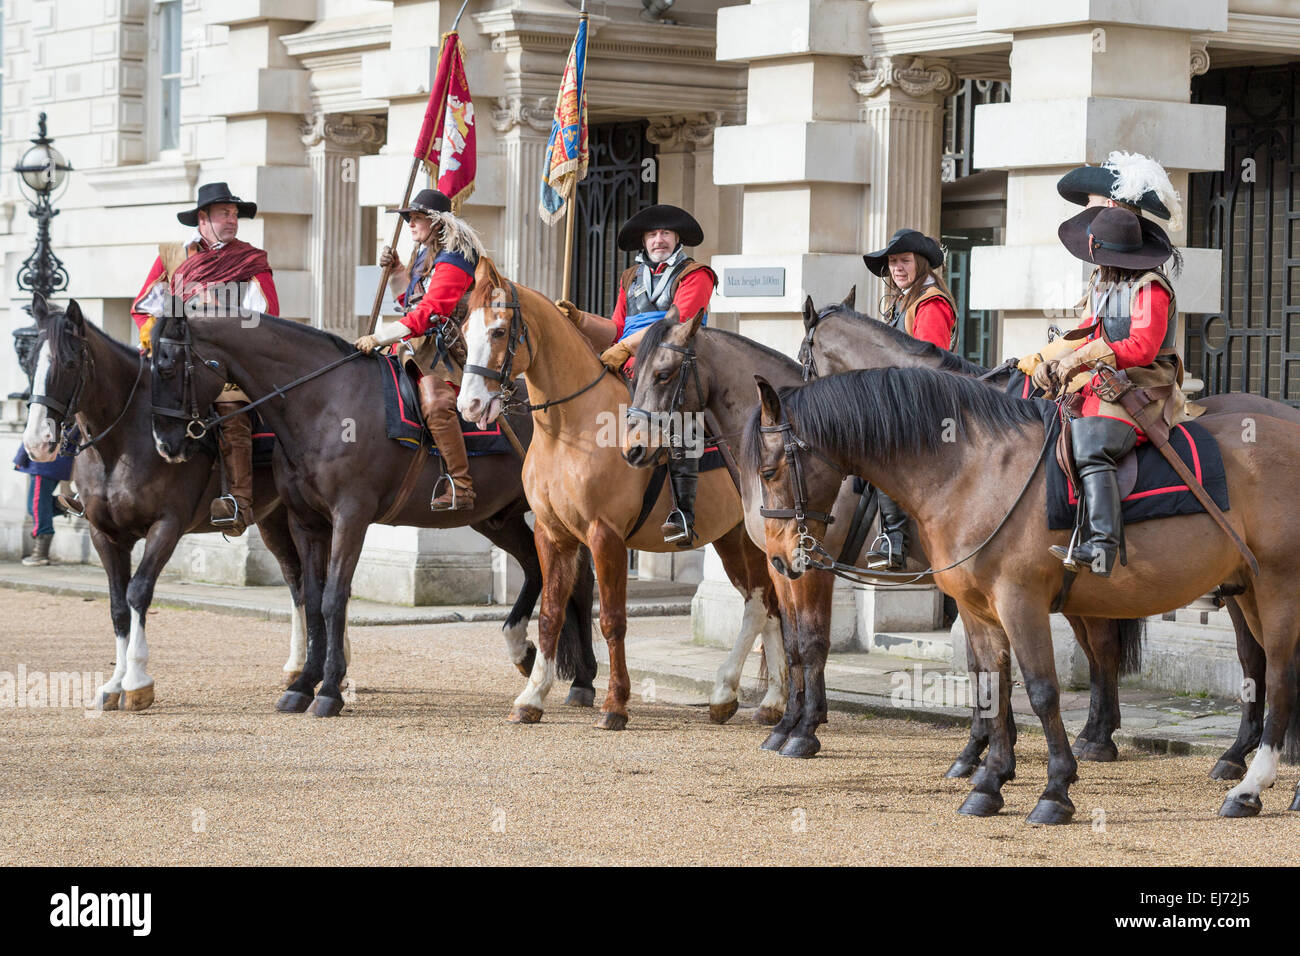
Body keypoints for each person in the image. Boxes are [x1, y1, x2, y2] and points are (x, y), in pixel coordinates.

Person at [1026, 205, 1192, 576]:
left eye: (1100, 255)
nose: (1095, 262)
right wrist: (1051, 360)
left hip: (1147, 383)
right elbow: (1088, 331)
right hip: (1106, 380)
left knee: (1093, 442)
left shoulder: (1150, 288)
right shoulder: (1106, 282)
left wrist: (1081, 359)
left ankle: (1102, 544)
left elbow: (1142, 348)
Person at [558, 204, 718, 547]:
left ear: (677, 238)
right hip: (633, 366)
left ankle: (683, 514)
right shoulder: (630, 278)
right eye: (652, 234)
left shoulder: (697, 273)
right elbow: (616, 328)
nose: (658, 239)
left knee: (680, 419)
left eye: (665, 233)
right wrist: (578, 318)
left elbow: (675, 326)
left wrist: (626, 348)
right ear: (643, 241)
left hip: (678, 365)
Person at [129, 182, 278, 537]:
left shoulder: (251, 259)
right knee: (121, 391)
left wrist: (220, 315)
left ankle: (238, 505)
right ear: (202, 218)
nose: (232, 220)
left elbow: (266, 315)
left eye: (234, 214)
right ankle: (93, 490)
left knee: (232, 414)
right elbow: (143, 308)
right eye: (224, 213)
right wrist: (158, 335)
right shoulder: (172, 255)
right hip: (174, 358)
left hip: (224, 363)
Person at [354, 188, 481, 511]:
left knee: (436, 404)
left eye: (416, 218)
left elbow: (432, 311)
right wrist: (397, 271)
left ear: (436, 222)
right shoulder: (424, 256)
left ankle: (461, 484)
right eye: (408, 218)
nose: (410, 223)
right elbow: (409, 303)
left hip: (445, 351)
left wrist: (381, 336)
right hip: (413, 344)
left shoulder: (456, 257)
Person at [860, 228, 958, 570]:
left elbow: (927, 367)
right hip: (902, 397)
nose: (897, 268)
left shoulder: (930, 304)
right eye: (892, 261)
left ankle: (894, 539)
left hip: (927, 404)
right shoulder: (903, 302)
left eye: (904, 260)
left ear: (920, 263)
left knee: (881, 446)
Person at [13, 426, 77, 566]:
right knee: (35, 507)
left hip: (44, 462)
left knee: (37, 506)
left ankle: (40, 553)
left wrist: (21, 458)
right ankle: (66, 506)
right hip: (46, 462)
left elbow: (34, 433)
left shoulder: (54, 413)